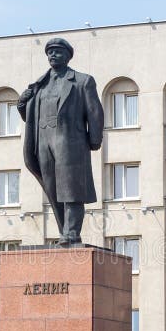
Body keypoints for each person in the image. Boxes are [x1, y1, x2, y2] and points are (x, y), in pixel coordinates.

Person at [18, 37, 104, 244]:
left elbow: (95, 112)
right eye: (50, 52)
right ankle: (63, 232)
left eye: (57, 51)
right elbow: (31, 116)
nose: (52, 55)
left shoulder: (83, 81)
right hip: (43, 143)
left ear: (67, 55)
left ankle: (72, 232)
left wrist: (95, 139)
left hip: (70, 144)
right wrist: (22, 102)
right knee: (52, 189)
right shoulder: (39, 85)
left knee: (71, 190)